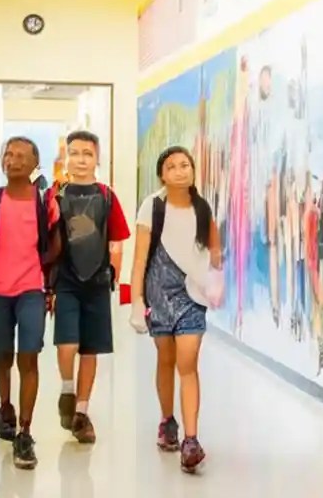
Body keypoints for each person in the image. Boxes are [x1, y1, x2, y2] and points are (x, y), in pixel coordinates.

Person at [0, 136, 61, 470]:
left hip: (31, 290)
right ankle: (5, 405)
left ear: (35, 163)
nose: (13, 159)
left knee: (29, 358)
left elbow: (56, 244)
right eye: (8, 153)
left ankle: (25, 431)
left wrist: (42, 275)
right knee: (2, 356)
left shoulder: (44, 203)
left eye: (22, 155)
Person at [129, 146, 223, 474]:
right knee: (166, 359)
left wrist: (215, 281)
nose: (181, 170)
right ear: (162, 175)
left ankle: (192, 440)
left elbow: (215, 250)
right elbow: (140, 258)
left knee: (188, 363)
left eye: (186, 165)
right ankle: (167, 421)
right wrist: (136, 300)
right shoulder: (152, 207)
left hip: (192, 297)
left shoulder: (202, 208)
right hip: (159, 293)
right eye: (172, 166)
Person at [50, 130, 131, 444]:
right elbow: (48, 238)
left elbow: (117, 240)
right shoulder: (56, 196)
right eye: (75, 153)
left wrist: (114, 275)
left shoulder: (107, 196)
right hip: (66, 281)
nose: (81, 159)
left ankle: (82, 413)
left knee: (90, 349)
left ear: (97, 158)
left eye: (87, 153)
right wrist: (50, 285)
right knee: (67, 343)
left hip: (97, 282)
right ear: (66, 158)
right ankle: (67, 391)